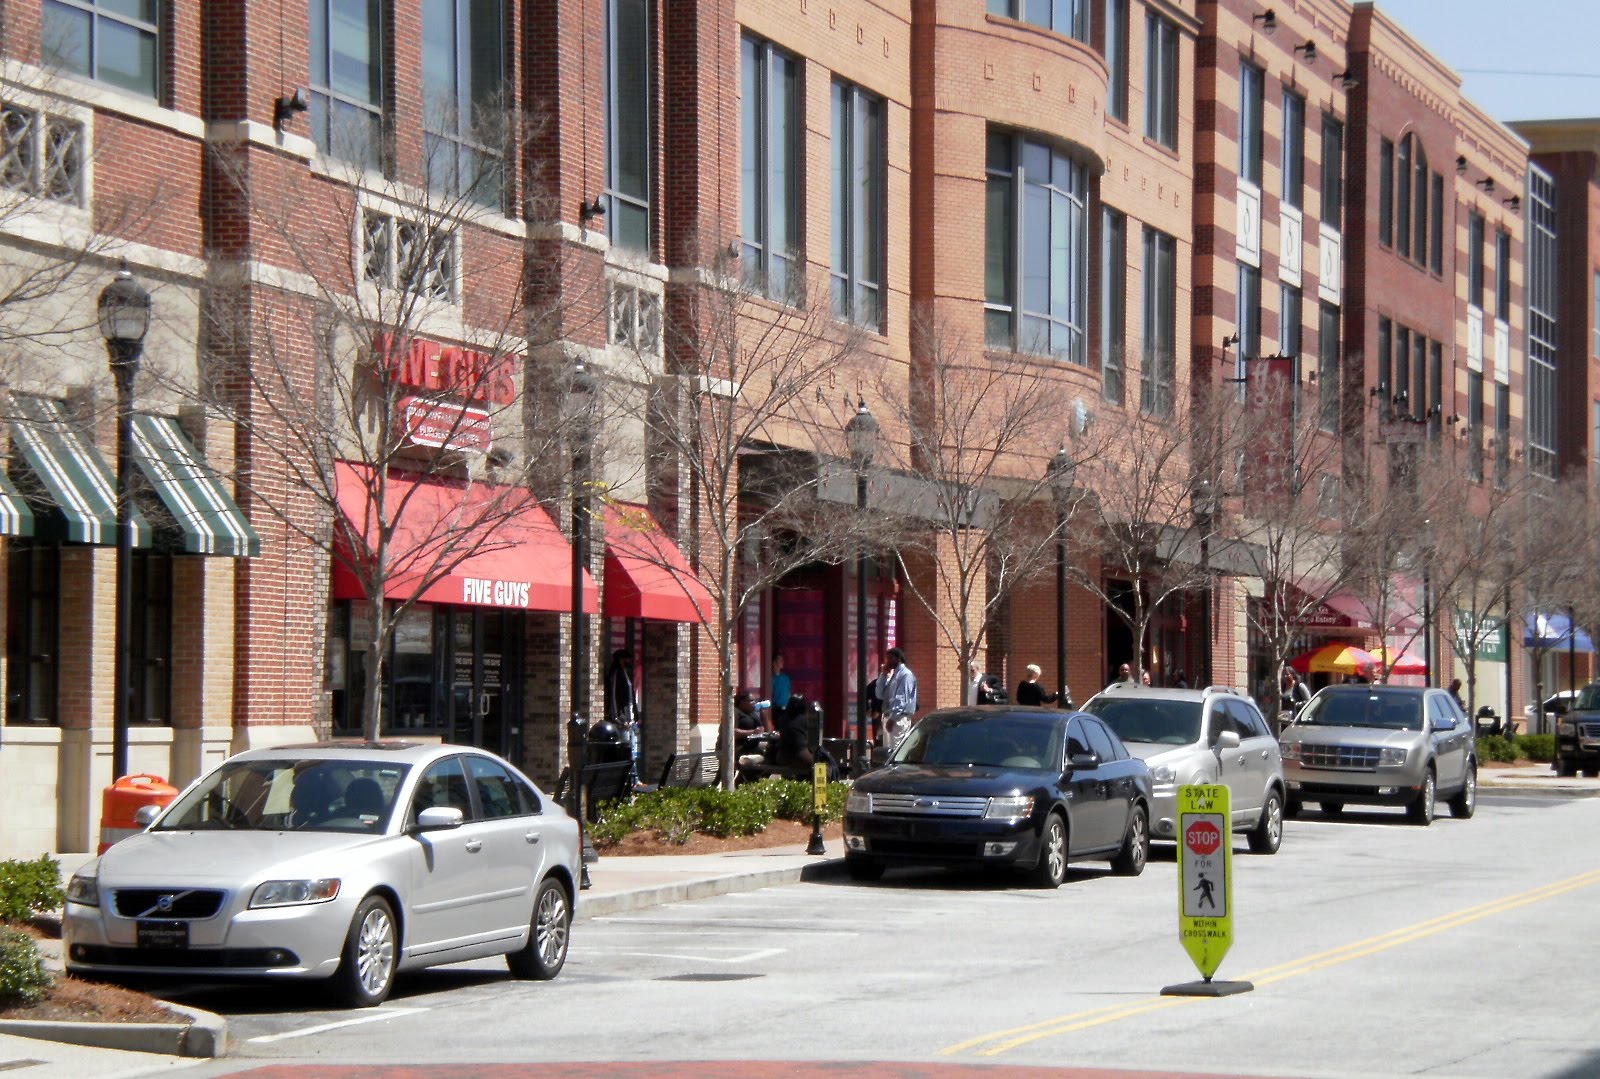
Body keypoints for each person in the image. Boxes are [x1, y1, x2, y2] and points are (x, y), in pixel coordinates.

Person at [604, 649, 640, 782]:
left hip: (629, 720)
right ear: (620, 659)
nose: (630, 662)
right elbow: (614, 698)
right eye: (627, 659)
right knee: (627, 751)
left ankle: (634, 779)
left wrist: (635, 717)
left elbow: (631, 699)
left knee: (633, 750)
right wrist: (619, 719)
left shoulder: (626, 674)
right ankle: (631, 780)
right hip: (622, 722)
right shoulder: (616, 674)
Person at [876, 647, 919, 750]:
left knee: (895, 750)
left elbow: (901, 699)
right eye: (887, 658)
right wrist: (883, 675)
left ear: (899, 659)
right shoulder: (893, 675)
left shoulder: (905, 675)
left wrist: (892, 719)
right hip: (888, 717)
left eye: (890, 658)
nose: (888, 661)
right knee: (887, 751)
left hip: (897, 719)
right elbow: (880, 694)